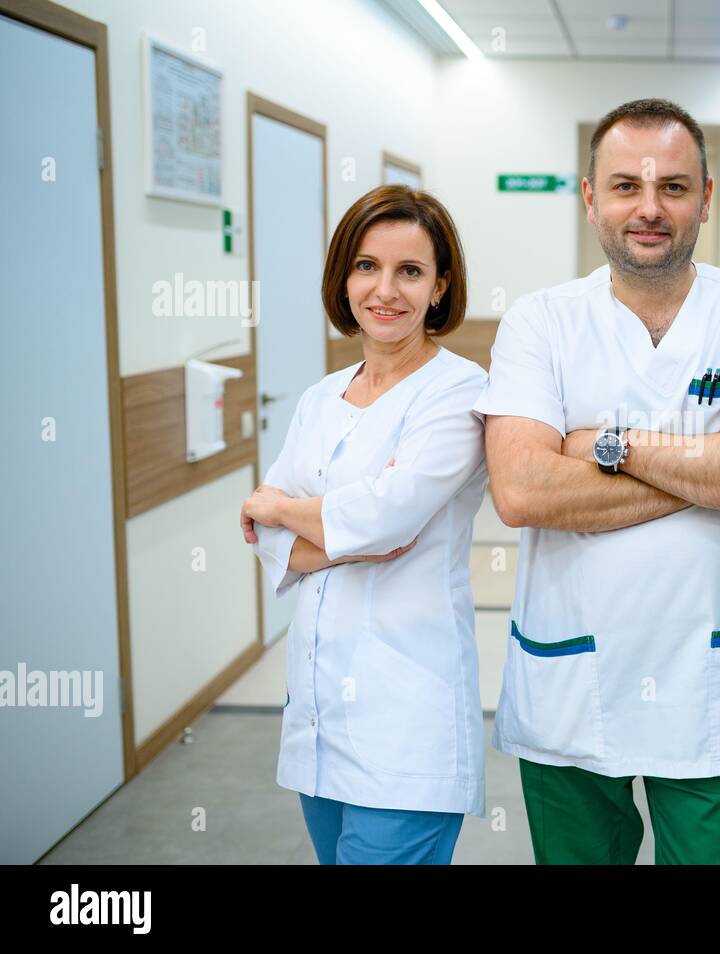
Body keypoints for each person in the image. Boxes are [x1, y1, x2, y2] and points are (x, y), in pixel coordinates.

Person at [474, 98, 720, 864]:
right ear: (591, 198)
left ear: (707, 196)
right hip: (574, 678)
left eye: (673, 186)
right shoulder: (541, 322)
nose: (650, 207)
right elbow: (525, 492)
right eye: (626, 186)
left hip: (717, 683)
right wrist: (716, 464)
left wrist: (603, 444)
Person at [239, 184, 487, 865]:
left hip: (407, 720)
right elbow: (274, 545)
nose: (386, 290)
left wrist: (285, 510)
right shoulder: (322, 398)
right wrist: (322, 530)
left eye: (411, 271)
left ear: (440, 287)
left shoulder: (460, 391)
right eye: (367, 266)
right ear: (343, 278)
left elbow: (385, 520)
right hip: (318, 713)